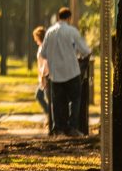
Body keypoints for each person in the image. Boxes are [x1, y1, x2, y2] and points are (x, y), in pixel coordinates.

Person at [39, 7, 90, 136]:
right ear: (69, 18)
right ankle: (72, 127)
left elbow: (43, 53)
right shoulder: (72, 31)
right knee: (75, 99)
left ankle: (58, 128)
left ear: (58, 17)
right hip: (71, 71)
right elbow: (85, 51)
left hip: (55, 74)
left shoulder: (50, 32)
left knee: (57, 102)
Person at [32, 25, 53, 133]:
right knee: (41, 96)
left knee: (44, 97)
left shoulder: (43, 47)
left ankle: (51, 118)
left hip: (46, 76)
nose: (34, 39)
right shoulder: (42, 47)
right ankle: (50, 117)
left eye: (35, 37)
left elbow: (45, 63)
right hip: (44, 76)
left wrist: (44, 76)